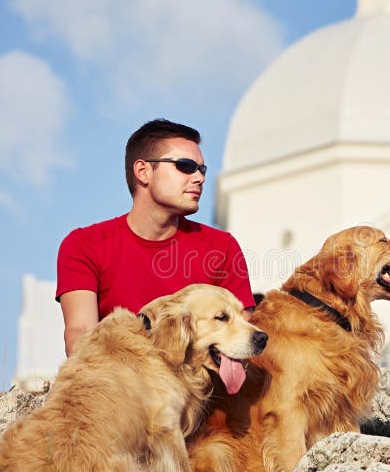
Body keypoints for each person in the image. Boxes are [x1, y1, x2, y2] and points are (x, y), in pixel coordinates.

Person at [56, 119, 255, 356]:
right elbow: (81, 333)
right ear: (143, 171)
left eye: (202, 169)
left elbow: (239, 337)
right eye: (185, 166)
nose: (199, 178)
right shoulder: (84, 245)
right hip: (122, 383)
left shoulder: (222, 247)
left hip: (200, 389)